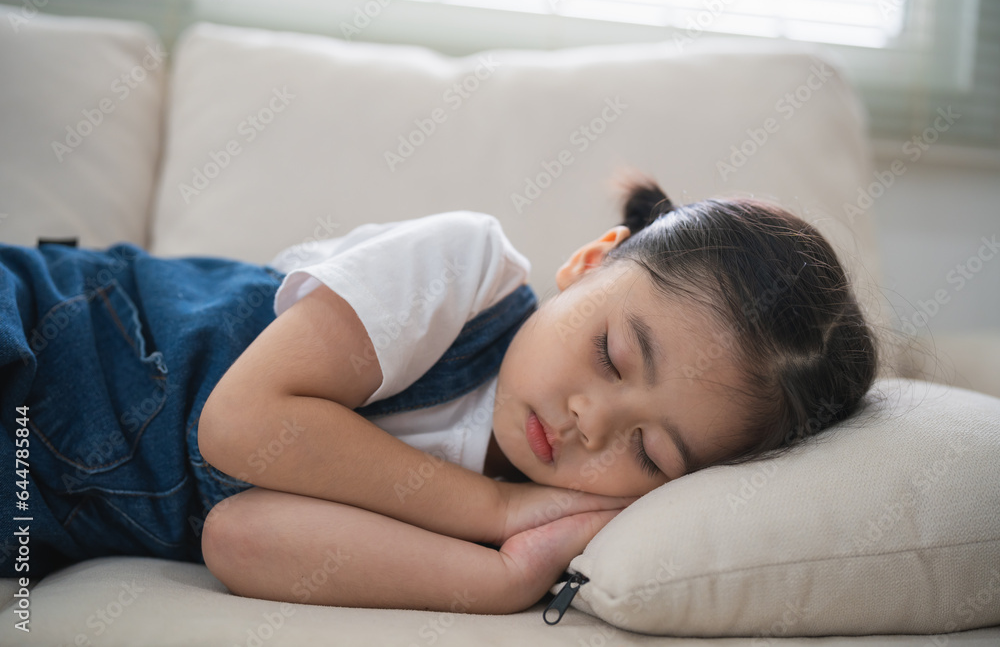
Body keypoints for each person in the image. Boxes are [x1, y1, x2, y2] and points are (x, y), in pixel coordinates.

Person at [0, 175, 878, 615]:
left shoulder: (502, 523)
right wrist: (493, 508)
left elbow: (238, 535)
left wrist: (502, 574)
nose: (591, 422)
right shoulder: (465, 270)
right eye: (612, 355)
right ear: (589, 263)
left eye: (648, 452)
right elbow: (238, 426)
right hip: (46, 338)